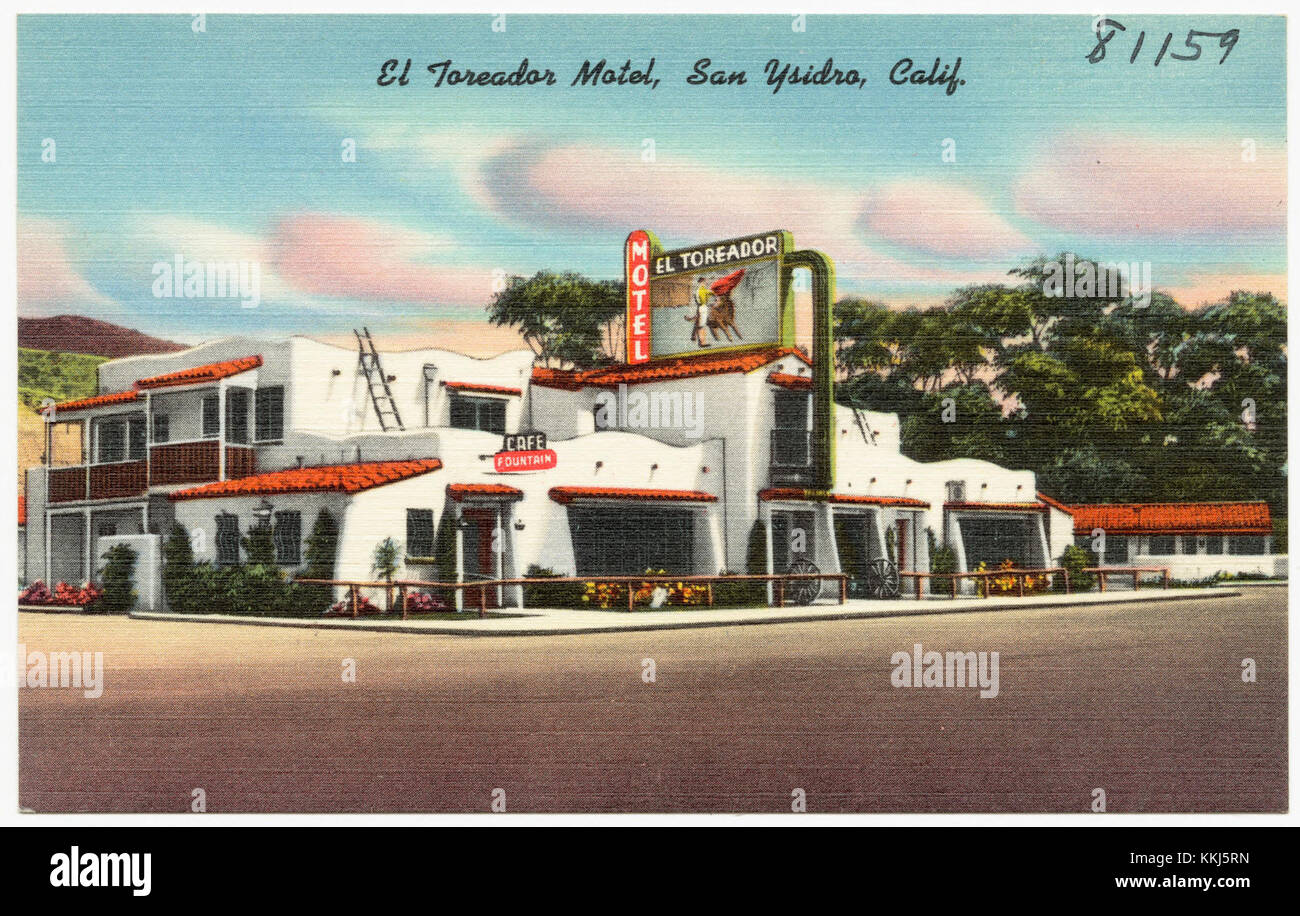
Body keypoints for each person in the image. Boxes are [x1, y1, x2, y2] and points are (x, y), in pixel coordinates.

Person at [685, 276, 713, 347]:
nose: (706, 283)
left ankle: (694, 337)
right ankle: (702, 342)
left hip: (701, 307)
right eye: (705, 281)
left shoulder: (701, 290)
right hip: (702, 308)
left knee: (700, 323)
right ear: (702, 282)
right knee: (701, 326)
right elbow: (703, 300)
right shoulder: (701, 290)